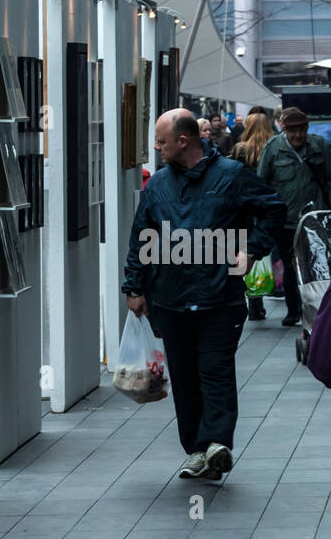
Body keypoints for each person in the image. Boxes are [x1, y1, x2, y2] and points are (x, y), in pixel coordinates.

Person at [123, 109, 285, 481]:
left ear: (184, 141)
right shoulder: (158, 185)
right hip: (170, 299)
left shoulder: (231, 176)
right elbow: (140, 239)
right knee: (184, 378)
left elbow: (273, 210)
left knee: (215, 372)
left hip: (219, 298)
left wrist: (252, 249)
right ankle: (197, 450)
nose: (156, 146)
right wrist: (133, 287)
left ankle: (215, 443)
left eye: (161, 141)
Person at [257, 106, 331, 326]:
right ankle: (293, 309)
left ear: (307, 128)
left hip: (315, 219)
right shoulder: (273, 148)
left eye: (301, 130)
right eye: (293, 131)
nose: (298, 135)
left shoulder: (319, 146)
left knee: (317, 266)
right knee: (290, 267)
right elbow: (262, 183)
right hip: (285, 220)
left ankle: (317, 310)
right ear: (284, 129)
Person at [233, 112, 277, 320]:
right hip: (267, 206)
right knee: (269, 252)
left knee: (244, 252)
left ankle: (253, 302)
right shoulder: (273, 146)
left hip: (245, 209)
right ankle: (275, 290)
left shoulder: (241, 149)